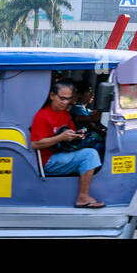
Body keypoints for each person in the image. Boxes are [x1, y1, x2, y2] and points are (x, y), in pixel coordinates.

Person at [31, 79, 104, 208]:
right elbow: (35, 144)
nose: (65, 102)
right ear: (52, 96)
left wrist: (78, 135)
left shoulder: (65, 114)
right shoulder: (42, 116)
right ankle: (83, 197)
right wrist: (60, 138)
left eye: (68, 99)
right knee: (90, 155)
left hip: (62, 153)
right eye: (62, 98)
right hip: (47, 161)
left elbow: (71, 133)